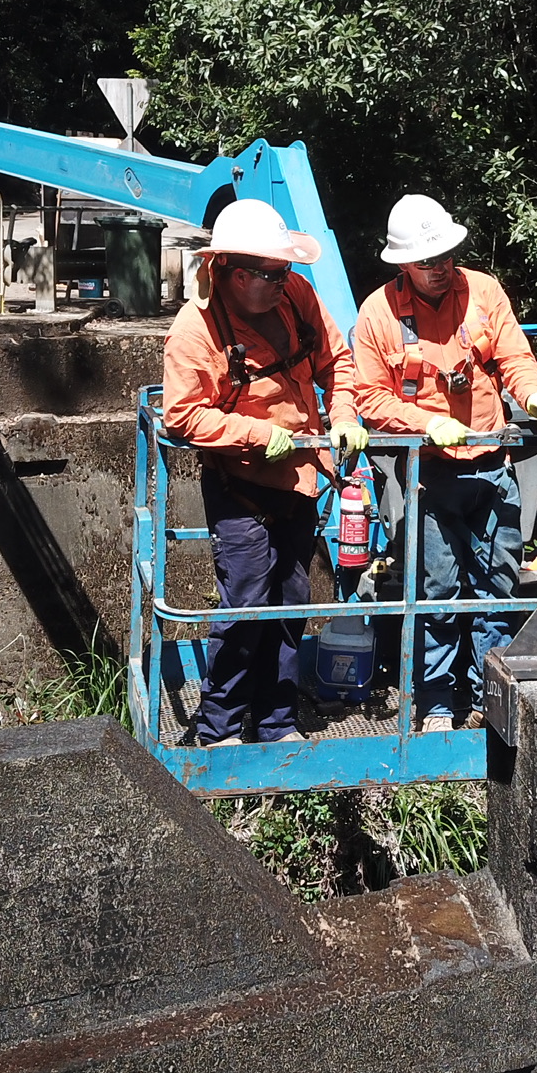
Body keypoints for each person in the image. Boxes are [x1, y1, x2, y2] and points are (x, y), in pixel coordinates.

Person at [162, 199, 366, 745]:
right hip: (242, 487)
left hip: (301, 477)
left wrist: (343, 415)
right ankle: (220, 727)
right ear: (229, 271)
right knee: (246, 604)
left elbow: (337, 361)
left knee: (292, 601)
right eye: (270, 273)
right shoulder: (195, 330)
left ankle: (277, 722)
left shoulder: (296, 297)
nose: (283, 281)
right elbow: (182, 414)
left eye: (285, 270)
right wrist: (254, 434)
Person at [351, 194, 537, 732]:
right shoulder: (378, 314)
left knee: (498, 587)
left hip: (493, 465)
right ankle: (436, 704)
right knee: (437, 592)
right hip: (429, 475)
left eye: (445, 257)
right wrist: (422, 422)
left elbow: (515, 357)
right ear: (403, 265)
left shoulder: (482, 291)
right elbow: (367, 396)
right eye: (427, 262)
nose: (440, 269)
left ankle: (491, 699)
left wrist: (533, 396)